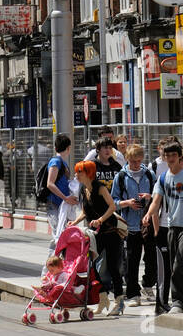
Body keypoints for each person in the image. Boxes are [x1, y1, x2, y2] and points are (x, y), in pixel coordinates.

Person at [144, 140, 183, 314]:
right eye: (168, 155)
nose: (171, 158)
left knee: (180, 264)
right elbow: (156, 201)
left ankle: (179, 301)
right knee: (175, 265)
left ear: (180, 157)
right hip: (172, 226)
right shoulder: (163, 178)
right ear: (164, 157)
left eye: (174, 155)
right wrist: (149, 214)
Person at [71, 159, 125, 315]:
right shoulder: (83, 189)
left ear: (88, 173)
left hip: (110, 232)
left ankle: (119, 301)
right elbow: (84, 211)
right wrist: (74, 222)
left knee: (113, 267)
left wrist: (101, 219)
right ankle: (103, 298)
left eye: (79, 171)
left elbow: (112, 206)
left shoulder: (100, 187)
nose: (76, 174)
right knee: (91, 264)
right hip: (96, 234)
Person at [111, 143, 155, 305]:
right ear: (127, 159)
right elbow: (113, 201)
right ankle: (133, 294)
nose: (136, 164)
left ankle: (148, 284)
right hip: (130, 224)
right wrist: (127, 203)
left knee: (151, 258)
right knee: (132, 260)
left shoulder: (149, 175)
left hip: (148, 223)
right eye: (133, 161)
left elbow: (158, 195)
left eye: (138, 161)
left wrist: (149, 197)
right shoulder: (121, 177)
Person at [44, 134, 78, 249]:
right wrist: (65, 197)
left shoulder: (61, 162)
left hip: (61, 204)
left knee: (62, 234)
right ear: (68, 148)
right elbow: (50, 183)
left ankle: (58, 263)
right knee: (58, 236)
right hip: (55, 203)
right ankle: (52, 264)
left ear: (55, 147)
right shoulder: (56, 161)